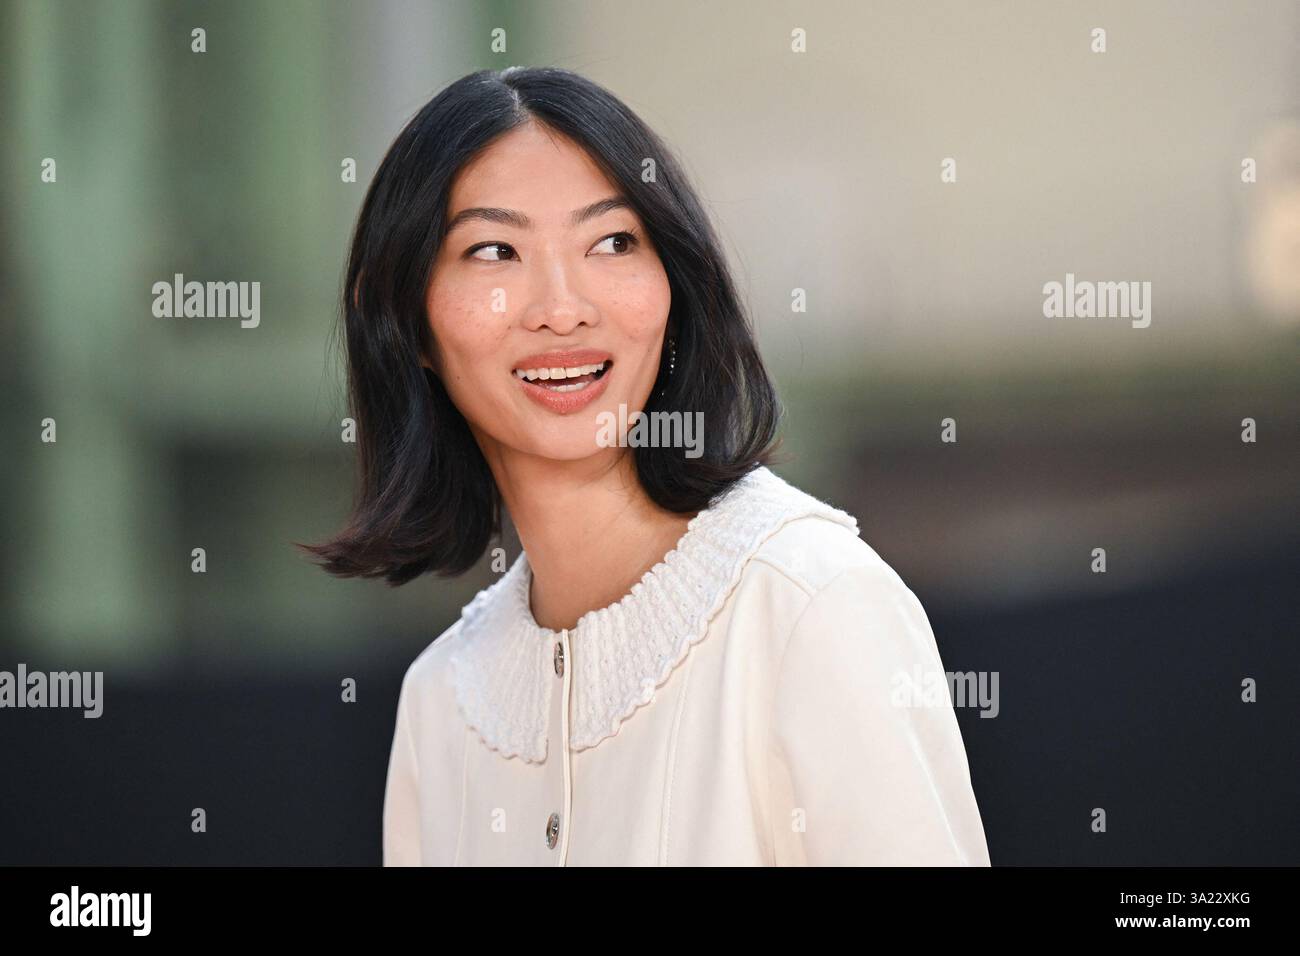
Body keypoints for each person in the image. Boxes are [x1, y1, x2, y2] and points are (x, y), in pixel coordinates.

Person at [301, 66, 991, 866]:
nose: (562, 307)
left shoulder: (810, 605)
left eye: (613, 242)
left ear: (675, 284)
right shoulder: (440, 705)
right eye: (496, 251)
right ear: (405, 318)